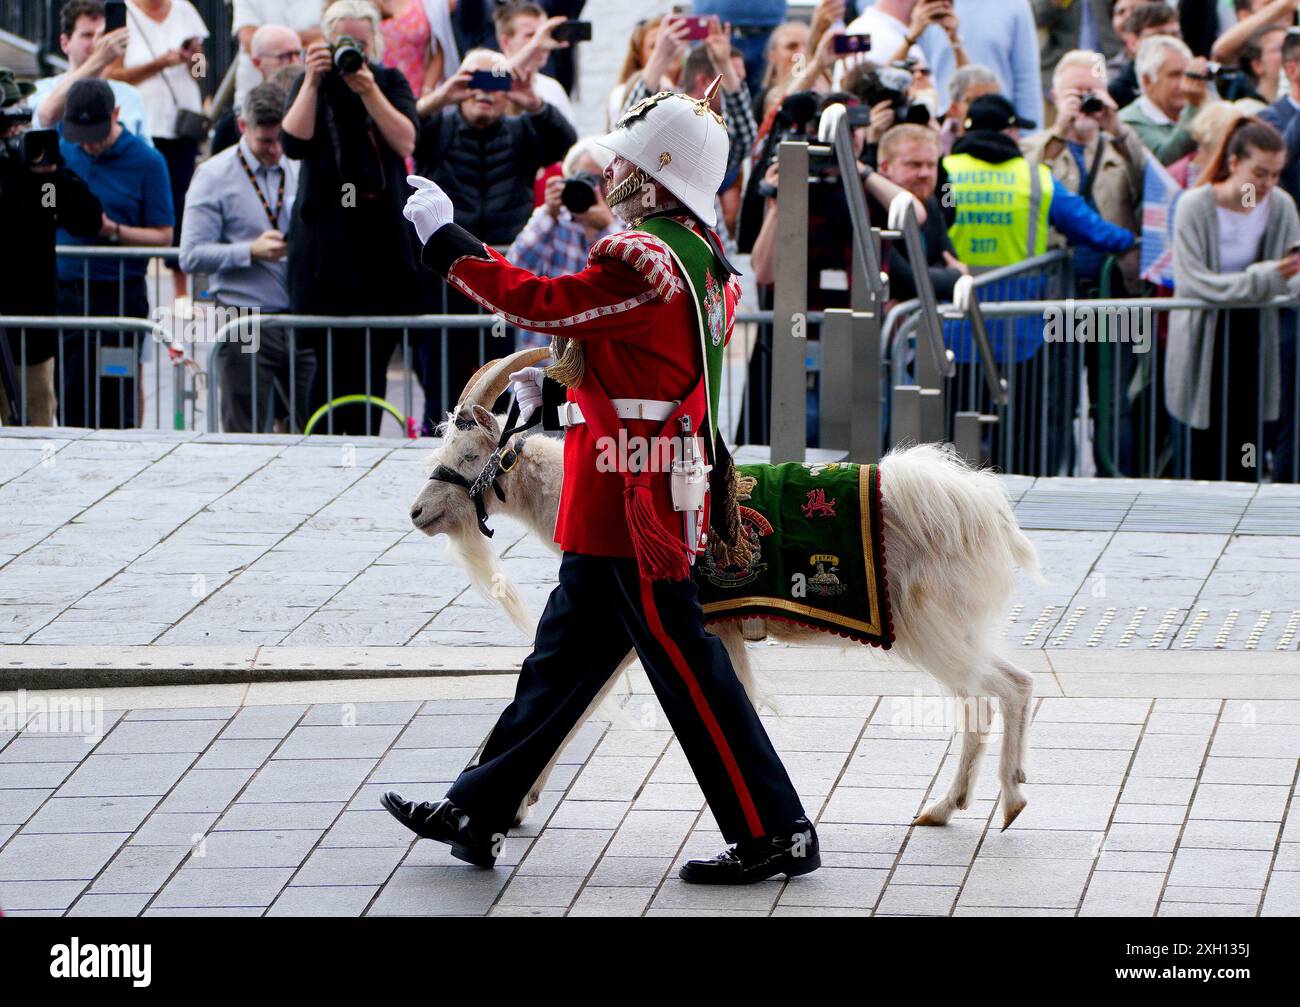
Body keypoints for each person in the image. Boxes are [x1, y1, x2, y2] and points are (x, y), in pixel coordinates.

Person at [386, 75, 819, 885]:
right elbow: (642, 363)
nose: (612, 172)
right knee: (559, 664)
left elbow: (544, 301)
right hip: (633, 490)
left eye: (626, 161)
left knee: (690, 670)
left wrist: (448, 243)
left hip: (634, 504)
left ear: (653, 176)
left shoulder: (638, 255)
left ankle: (776, 830)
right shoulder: (699, 259)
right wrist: (558, 388)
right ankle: (480, 808)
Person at [412, 46, 576, 422]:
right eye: (474, 80)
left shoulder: (521, 131)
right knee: (443, 384)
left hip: (506, 270)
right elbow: (404, 135)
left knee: (505, 378)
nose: (483, 92)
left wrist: (531, 100)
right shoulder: (439, 127)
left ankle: (504, 459)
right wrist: (442, 96)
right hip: (446, 278)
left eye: (494, 81)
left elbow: (563, 143)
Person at [280, 0, 420, 437]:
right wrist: (312, 80)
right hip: (324, 248)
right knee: (325, 361)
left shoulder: (389, 81)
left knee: (371, 363)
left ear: (374, 42)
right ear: (325, 41)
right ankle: (319, 452)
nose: (352, 51)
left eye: (361, 43)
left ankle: (363, 445)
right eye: (344, 42)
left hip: (379, 249)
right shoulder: (313, 83)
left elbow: (405, 140)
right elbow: (292, 141)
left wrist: (367, 89)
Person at [1167, 116, 1300, 481]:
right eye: (1260, 173)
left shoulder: (1282, 206)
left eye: (1275, 174)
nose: (1268, 184)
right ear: (1234, 163)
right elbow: (1194, 283)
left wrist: (1278, 279)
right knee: (1200, 450)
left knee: (1248, 444)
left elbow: (1291, 281)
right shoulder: (1195, 205)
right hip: (1204, 336)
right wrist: (1265, 279)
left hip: (1256, 335)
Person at [179, 82, 313, 433]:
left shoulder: (299, 165)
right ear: (242, 127)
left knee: (313, 429)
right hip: (243, 318)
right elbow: (190, 254)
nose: (274, 150)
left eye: (279, 140)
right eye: (264, 142)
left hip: (299, 318)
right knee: (245, 433)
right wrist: (248, 251)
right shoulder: (213, 175)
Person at [56, 78, 174, 428]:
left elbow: (164, 237)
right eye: (82, 136)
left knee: (116, 392)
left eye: (96, 134)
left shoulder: (147, 162)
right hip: (67, 292)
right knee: (71, 393)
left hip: (118, 293)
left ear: (117, 115)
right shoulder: (61, 153)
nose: (89, 145)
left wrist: (113, 231)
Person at [0, 68, 103, 427]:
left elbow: (87, 220)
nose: (14, 134)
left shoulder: (38, 169)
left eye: (19, 120)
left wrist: (51, 175)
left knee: (35, 425)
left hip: (31, 329)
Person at [107, 0, 209, 309]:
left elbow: (202, 72)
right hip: (142, 124)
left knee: (180, 203)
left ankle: (181, 292)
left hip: (179, 127)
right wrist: (162, 64)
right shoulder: (121, 11)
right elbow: (114, 73)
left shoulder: (184, 10)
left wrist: (193, 58)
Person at [505, 137, 620, 350]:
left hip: (599, 354)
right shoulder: (553, 219)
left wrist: (607, 228)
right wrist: (548, 213)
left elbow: (628, 280)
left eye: (598, 179)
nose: (591, 187)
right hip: (544, 355)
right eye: (581, 177)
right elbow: (515, 266)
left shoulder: (624, 224)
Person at [31, 1, 152, 145]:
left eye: (102, 35)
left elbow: (145, 157)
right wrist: (99, 58)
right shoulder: (44, 89)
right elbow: (46, 116)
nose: (96, 43)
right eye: (87, 35)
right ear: (65, 43)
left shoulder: (130, 96)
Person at [1118, 33, 1212, 166]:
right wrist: (1194, 105)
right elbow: (1164, 159)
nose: (1184, 83)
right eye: (1175, 75)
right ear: (1147, 80)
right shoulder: (1128, 121)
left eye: (1188, 74)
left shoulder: (1193, 110)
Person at [211, 23, 305, 154]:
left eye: (298, 54)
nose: (296, 62)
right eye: (285, 56)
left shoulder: (316, 107)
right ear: (257, 62)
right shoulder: (230, 128)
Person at [494, 2, 577, 129]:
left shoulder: (553, 88)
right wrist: (534, 45)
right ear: (505, 42)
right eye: (530, 35)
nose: (543, 42)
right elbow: (494, 76)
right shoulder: (490, 75)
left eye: (545, 34)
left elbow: (570, 139)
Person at [1108, 1, 1182, 110]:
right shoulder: (1119, 91)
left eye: (1175, 35)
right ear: (1133, 42)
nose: (1170, 43)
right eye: (1159, 36)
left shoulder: (1195, 77)